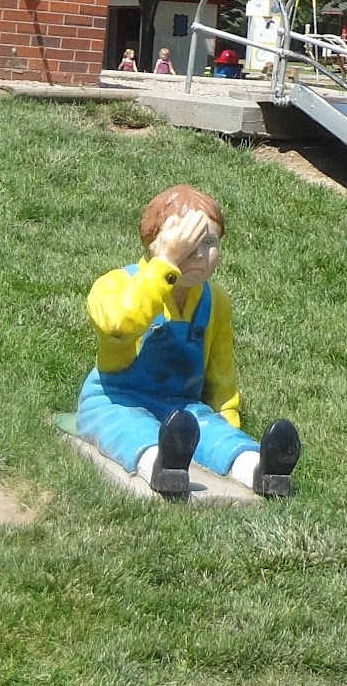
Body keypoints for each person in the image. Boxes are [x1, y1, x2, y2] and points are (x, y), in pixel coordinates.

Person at [76, 185, 301, 497]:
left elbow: (222, 377)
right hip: (116, 399)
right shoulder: (117, 284)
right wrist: (165, 265)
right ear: (153, 243)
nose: (197, 256)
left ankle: (261, 469)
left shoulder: (214, 301)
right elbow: (120, 325)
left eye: (209, 243)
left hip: (180, 407)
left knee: (210, 432)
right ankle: (162, 465)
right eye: (185, 244)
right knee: (129, 429)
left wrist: (227, 422)